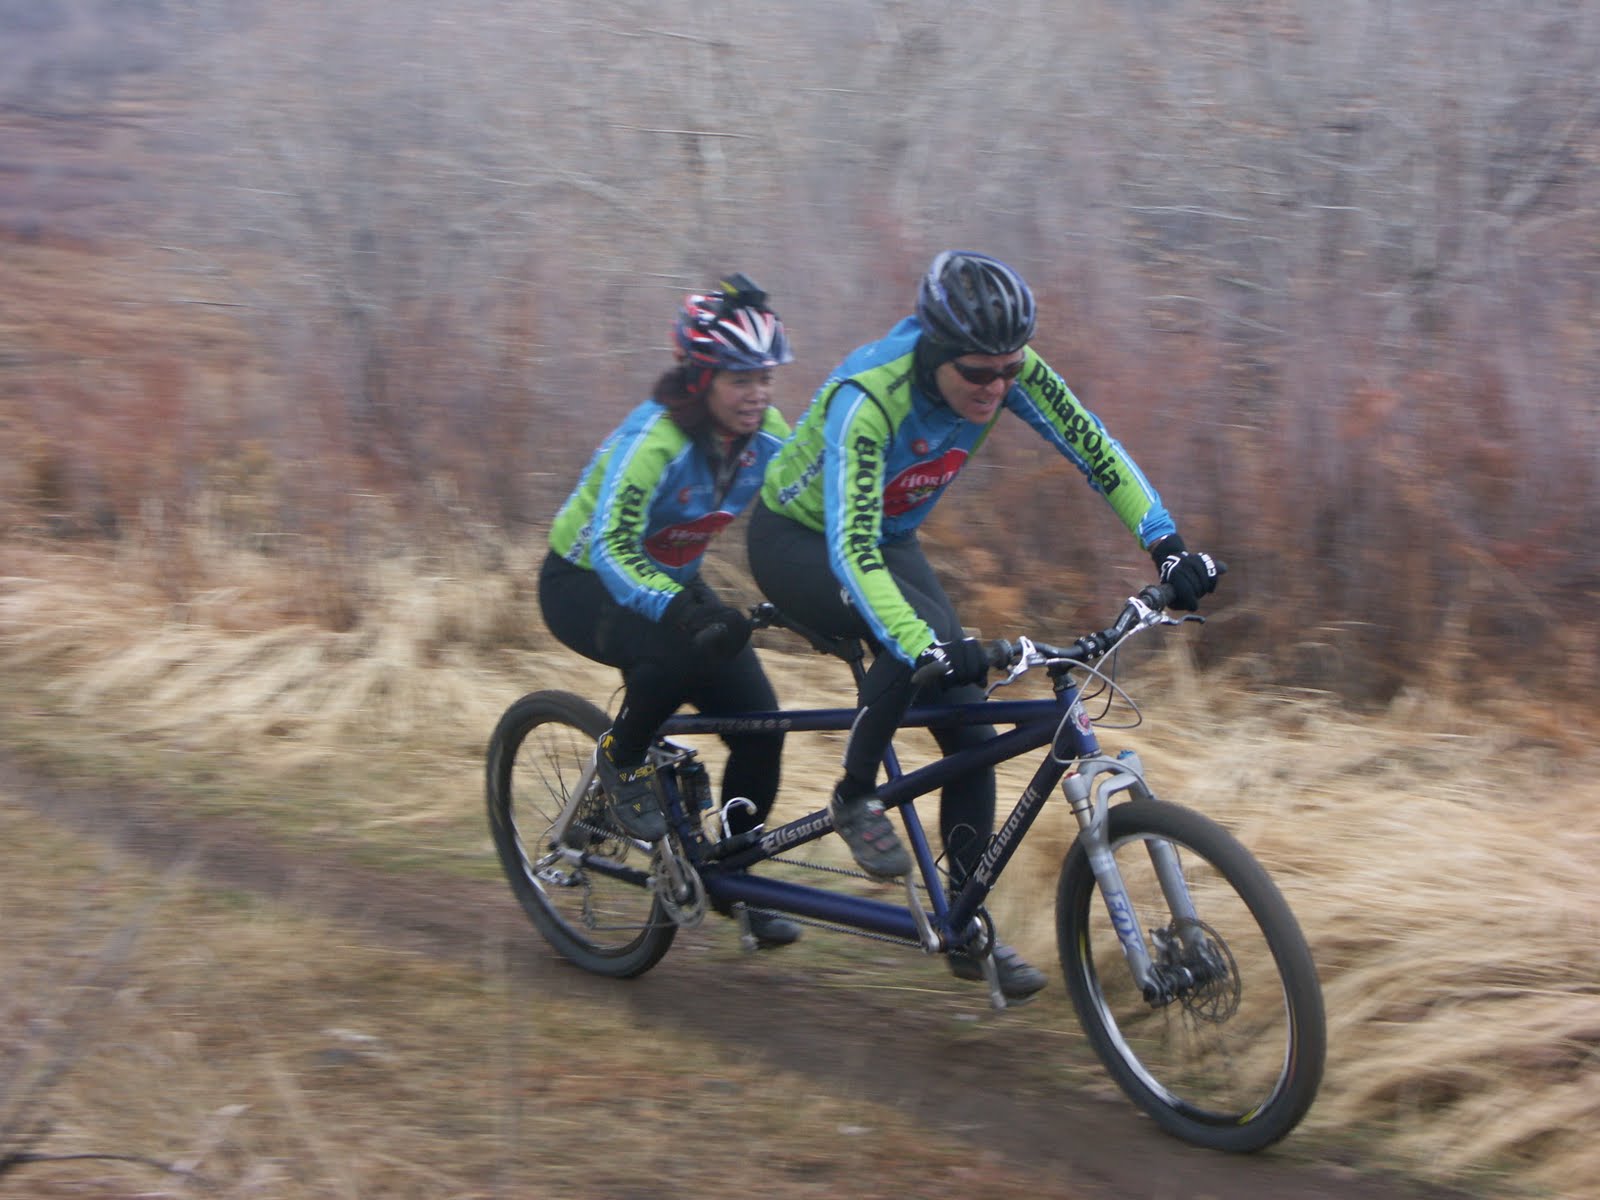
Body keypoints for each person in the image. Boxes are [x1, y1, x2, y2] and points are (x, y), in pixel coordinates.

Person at [747, 250, 1220, 996]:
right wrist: (923, 644)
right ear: (934, 352)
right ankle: (854, 793)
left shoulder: (1010, 372)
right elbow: (850, 549)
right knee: (909, 651)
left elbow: (1093, 449)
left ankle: (965, 922)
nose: (997, 387)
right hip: (801, 540)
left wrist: (1168, 548)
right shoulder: (867, 400)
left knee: (970, 728)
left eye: (1007, 370)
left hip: (888, 541)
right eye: (979, 374)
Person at [541, 273, 801, 947]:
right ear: (702, 377)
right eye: (741, 380)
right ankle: (622, 760)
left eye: (765, 378)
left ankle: (735, 877)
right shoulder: (655, 442)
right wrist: (678, 613)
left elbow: (810, 512)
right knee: (675, 653)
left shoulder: (768, 434)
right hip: (583, 581)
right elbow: (610, 545)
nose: (759, 395)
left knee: (762, 725)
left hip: (665, 579)